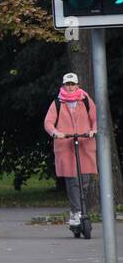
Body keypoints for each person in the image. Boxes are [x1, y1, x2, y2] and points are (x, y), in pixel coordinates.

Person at [43, 72, 98, 234]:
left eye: (72, 84)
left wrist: (93, 130)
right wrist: (55, 133)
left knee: (85, 180)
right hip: (65, 146)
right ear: (63, 85)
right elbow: (48, 122)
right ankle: (76, 213)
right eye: (67, 84)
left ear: (78, 85)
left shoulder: (86, 100)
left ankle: (81, 210)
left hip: (85, 144)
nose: (70, 87)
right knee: (72, 181)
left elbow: (95, 118)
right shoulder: (57, 103)